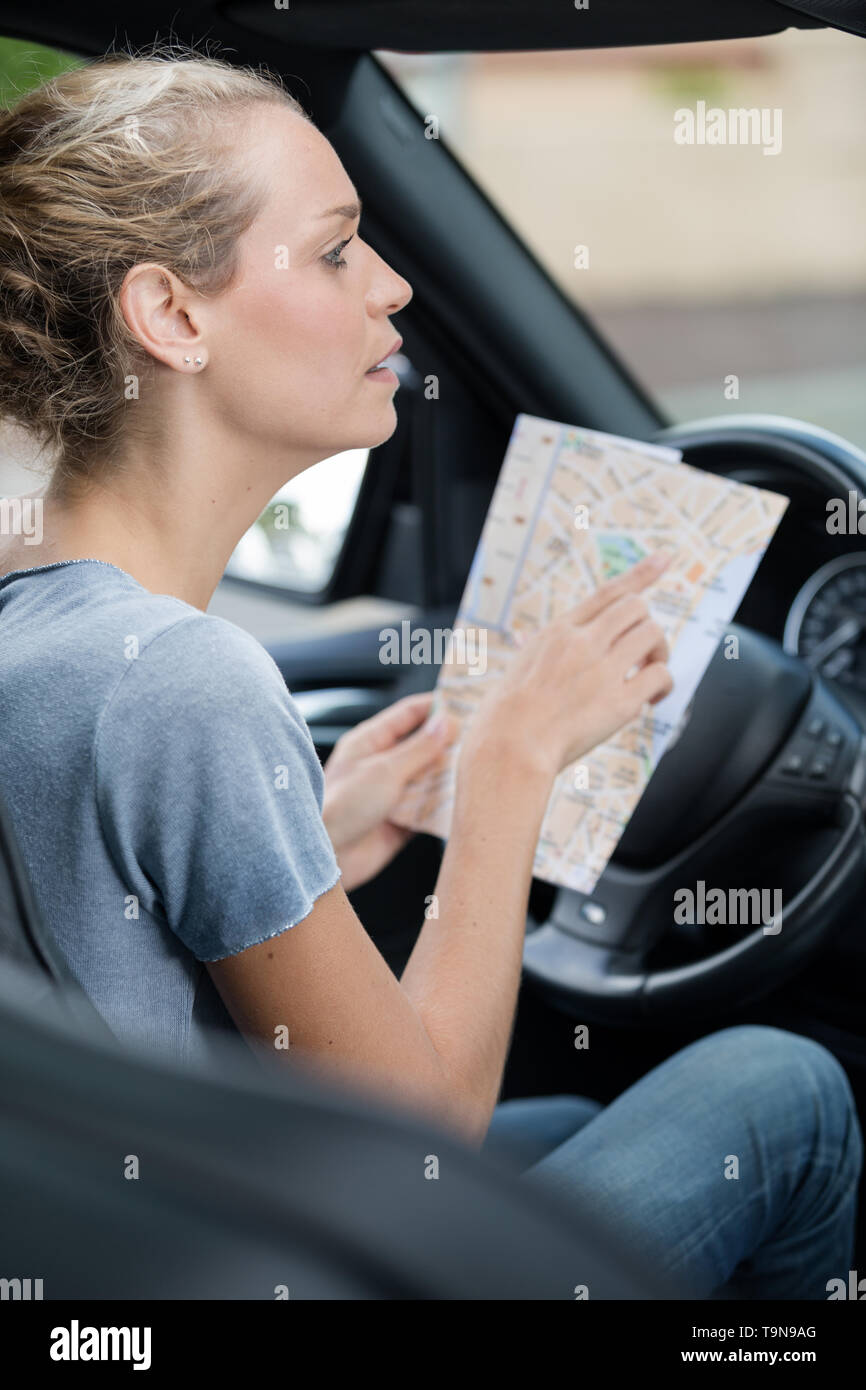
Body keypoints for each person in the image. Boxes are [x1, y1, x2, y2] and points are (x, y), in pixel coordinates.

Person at [0, 43, 859, 1300]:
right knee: (786, 1089)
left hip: (137, 1246)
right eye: (337, 249)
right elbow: (418, 1151)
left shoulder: (49, 634)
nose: (392, 287)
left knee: (563, 1126)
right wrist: (513, 762)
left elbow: (89, 917)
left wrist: (320, 833)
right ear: (172, 317)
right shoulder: (183, 684)